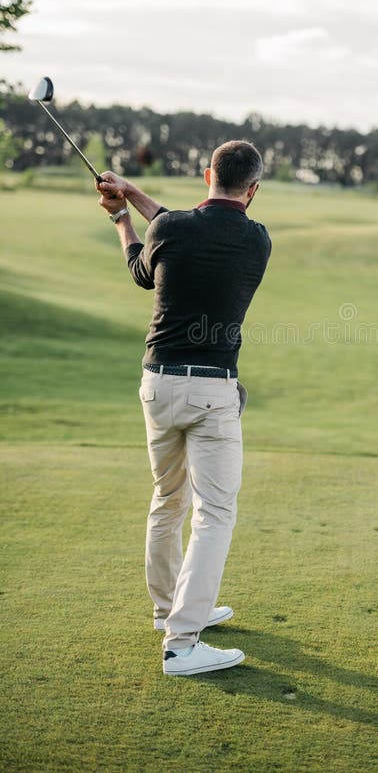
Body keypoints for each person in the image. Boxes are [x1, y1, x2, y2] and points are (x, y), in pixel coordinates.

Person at [96, 140, 271, 675]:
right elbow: (178, 226)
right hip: (211, 390)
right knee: (214, 513)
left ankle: (168, 609)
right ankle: (181, 643)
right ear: (254, 189)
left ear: (206, 175)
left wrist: (122, 214)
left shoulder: (170, 231)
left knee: (168, 499)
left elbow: (146, 263)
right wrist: (132, 201)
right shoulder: (258, 240)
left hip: (158, 385)